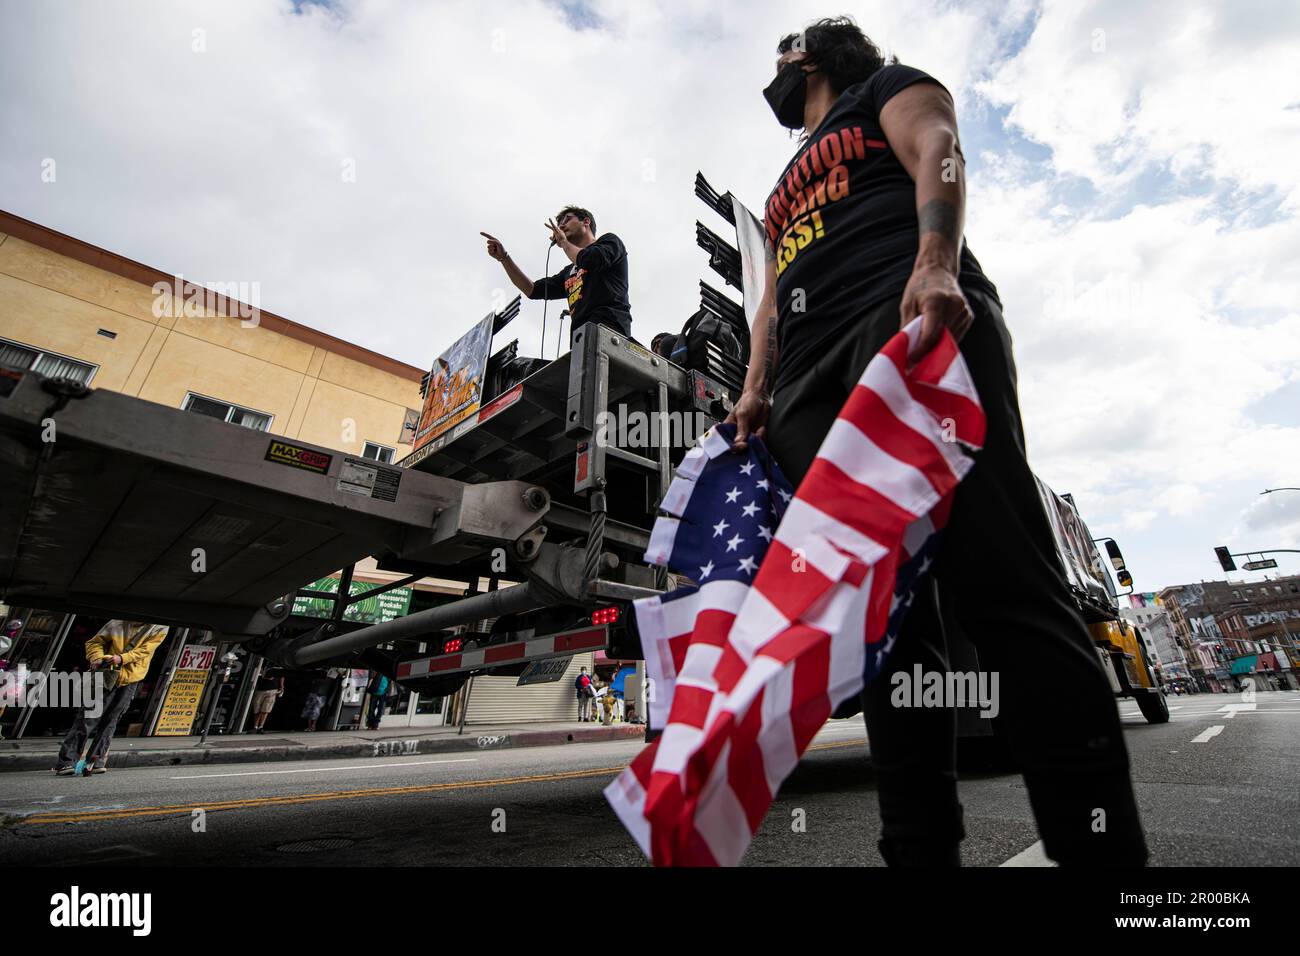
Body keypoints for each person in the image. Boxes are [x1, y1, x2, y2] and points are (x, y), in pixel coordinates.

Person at [729, 17, 1147, 866]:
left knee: (1005, 586)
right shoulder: (781, 186)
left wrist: (935, 260)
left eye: (783, 52)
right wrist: (755, 389)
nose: (773, 68)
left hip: (906, 324)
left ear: (811, 54)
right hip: (812, 388)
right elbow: (771, 294)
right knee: (885, 630)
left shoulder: (882, 91)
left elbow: (940, 147)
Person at [481, 206, 633, 342]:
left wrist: (564, 243)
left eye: (567, 219)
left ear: (586, 222)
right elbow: (532, 290)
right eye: (559, 223)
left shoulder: (609, 242)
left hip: (611, 332)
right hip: (581, 338)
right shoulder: (569, 271)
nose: (561, 225)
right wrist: (504, 258)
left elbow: (590, 260)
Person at [53, 620, 168, 775]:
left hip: (129, 679)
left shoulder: (159, 627)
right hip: (105, 675)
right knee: (87, 719)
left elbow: (145, 650)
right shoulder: (117, 623)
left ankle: (96, 761)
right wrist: (96, 657)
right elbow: (95, 642)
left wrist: (122, 658)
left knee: (111, 721)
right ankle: (66, 762)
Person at [250, 662, 284, 734]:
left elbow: (282, 675)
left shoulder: (278, 665)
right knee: (257, 708)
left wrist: (281, 687)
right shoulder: (262, 662)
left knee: (266, 709)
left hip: (272, 688)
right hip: (260, 688)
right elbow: (259, 673)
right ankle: (255, 726)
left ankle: (260, 727)